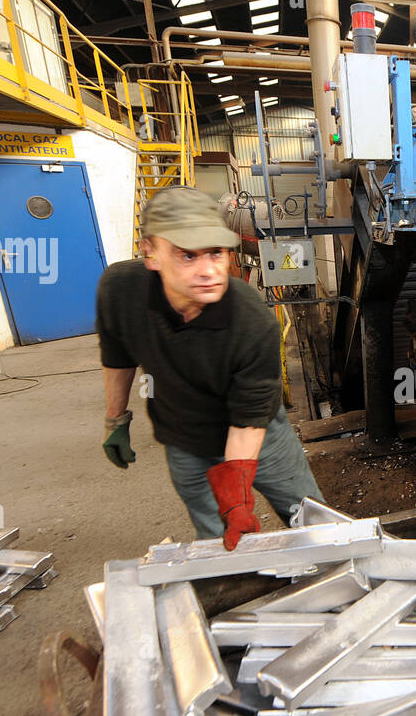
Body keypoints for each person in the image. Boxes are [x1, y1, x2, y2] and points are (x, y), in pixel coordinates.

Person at [95, 186, 324, 549]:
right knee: (215, 543)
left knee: (315, 522)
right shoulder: (120, 290)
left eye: (216, 253)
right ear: (151, 253)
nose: (209, 271)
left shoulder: (250, 319)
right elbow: (118, 354)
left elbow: (248, 420)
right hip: (185, 440)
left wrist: (237, 500)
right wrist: (116, 420)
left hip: (260, 434)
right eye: (187, 256)